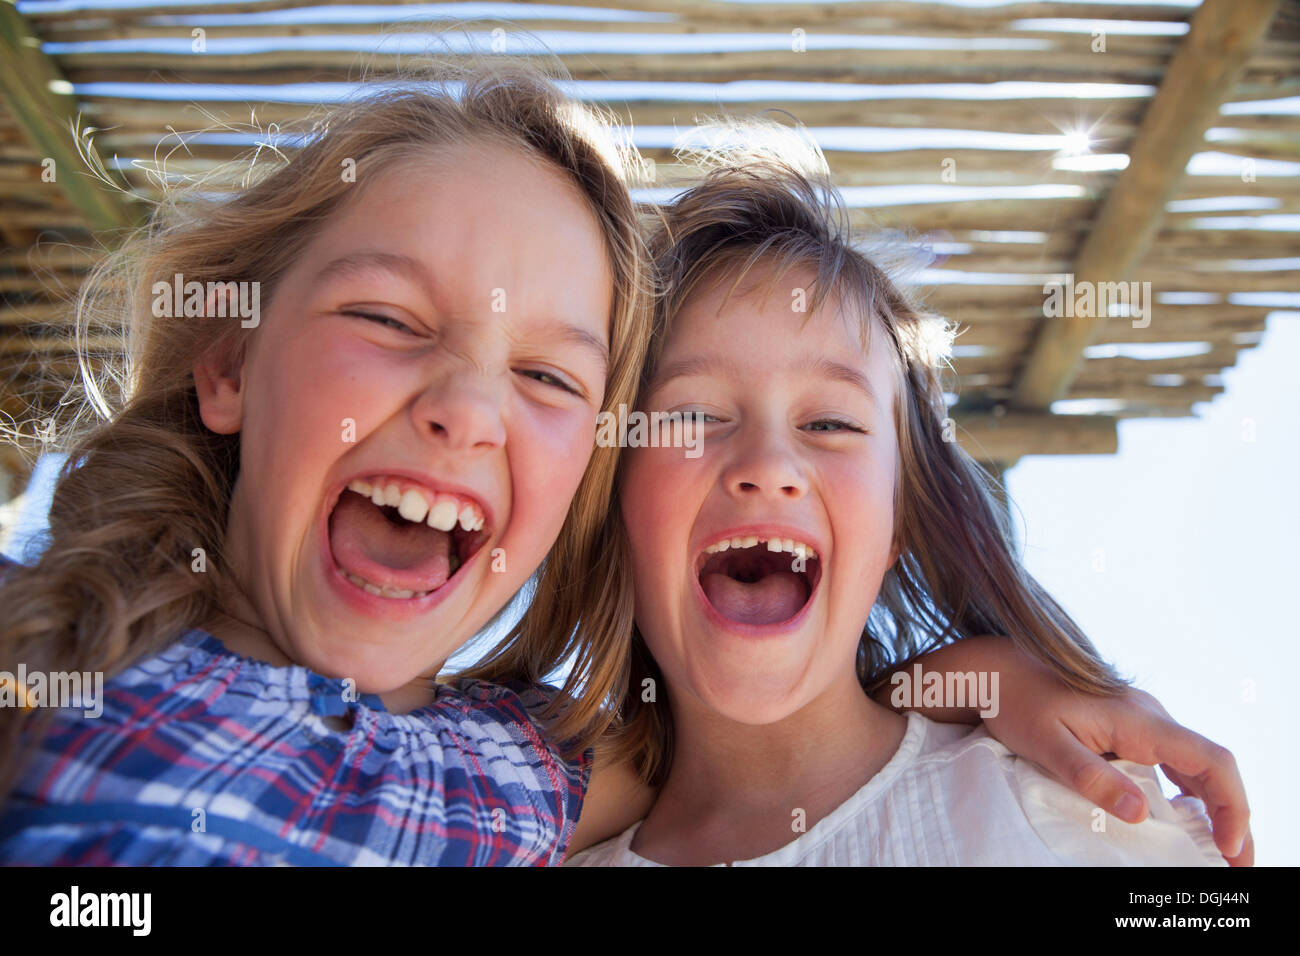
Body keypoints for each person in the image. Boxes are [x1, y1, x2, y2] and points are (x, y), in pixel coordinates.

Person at [0, 60, 652, 865]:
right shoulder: (34, 653)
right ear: (231, 368)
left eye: (548, 377)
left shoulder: (527, 772)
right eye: (387, 318)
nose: (469, 411)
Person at [565, 136, 1245, 866]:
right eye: (695, 416)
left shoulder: (1068, 807)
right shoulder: (539, 844)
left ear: (896, 524)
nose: (768, 466)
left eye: (830, 423)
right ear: (613, 502)